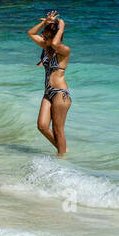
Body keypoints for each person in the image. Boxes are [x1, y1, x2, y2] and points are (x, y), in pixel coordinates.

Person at [27, 9, 72, 158]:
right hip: (48, 93)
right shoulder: (46, 48)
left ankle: (62, 161)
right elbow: (31, 33)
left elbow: (55, 43)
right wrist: (44, 23)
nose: (42, 38)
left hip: (60, 94)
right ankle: (63, 151)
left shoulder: (64, 51)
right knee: (42, 126)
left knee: (58, 131)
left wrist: (62, 26)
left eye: (45, 36)